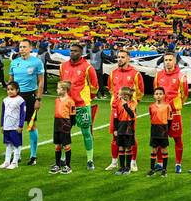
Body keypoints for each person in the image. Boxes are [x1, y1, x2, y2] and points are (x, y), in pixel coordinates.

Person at [59, 42, 101, 170]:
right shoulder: (63, 66)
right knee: (64, 133)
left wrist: (86, 99)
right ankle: (61, 159)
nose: (72, 53)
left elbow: (95, 87)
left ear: (81, 52)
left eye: (75, 51)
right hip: (66, 106)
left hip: (82, 106)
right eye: (71, 50)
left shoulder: (88, 68)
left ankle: (90, 160)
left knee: (86, 132)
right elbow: (61, 84)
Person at [9, 40, 46, 165]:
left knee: (31, 126)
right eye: (20, 47)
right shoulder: (14, 62)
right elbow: (11, 82)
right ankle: (17, 154)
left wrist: (38, 99)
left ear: (31, 48)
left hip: (30, 97)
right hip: (16, 98)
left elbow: (41, 82)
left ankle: (33, 156)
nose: (22, 49)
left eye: (24, 47)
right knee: (15, 127)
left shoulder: (37, 62)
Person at [107, 50, 144, 171]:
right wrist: (116, 103)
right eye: (118, 57)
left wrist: (131, 105)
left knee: (131, 136)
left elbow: (140, 92)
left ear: (128, 58)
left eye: (122, 57)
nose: (120, 59)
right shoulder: (113, 73)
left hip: (128, 112)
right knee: (115, 135)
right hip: (115, 110)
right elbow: (111, 89)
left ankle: (133, 162)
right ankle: (114, 162)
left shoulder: (135, 74)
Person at [151, 52, 187, 173]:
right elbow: (156, 91)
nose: (167, 62)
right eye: (165, 60)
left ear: (175, 61)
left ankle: (178, 164)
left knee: (177, 138)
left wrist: (175, 105)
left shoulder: (181, 76)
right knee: (161, 139)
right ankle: (160, 163)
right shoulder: (158, 75)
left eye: (170, 60)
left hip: (175, 113)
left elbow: (184, 94)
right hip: (161, 113)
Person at [0, 80, 27, 169]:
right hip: (7, 126)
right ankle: (7, 161)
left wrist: (20, 125)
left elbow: (23, 114)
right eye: (8, 89)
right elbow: (3, 113)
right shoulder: (5, 100)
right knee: (8, 144)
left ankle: (15, 162)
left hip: (15, 126)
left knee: (16, 144)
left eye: (12, 89)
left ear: (17, 90)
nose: (9, 91)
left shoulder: (20, 100)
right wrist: (2, 125)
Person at [110, 86, 138, 175]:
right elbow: (115, 117)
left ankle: (128, 167)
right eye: (121, 95)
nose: (121, 96)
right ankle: (121, 167)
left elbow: (132, 115)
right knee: (121, 147)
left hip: (129, 127)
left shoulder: (133, 103)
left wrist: (125, 105)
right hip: (120, 126)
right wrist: (115, 129)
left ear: (127, 95)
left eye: (123, 95)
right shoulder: (117, 104)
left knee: (128, 147)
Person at [50, 81, 76, 174]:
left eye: (58, 88)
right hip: (56, 123)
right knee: (57, 145)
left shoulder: (70, 101)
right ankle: (57, 164)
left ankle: (68, 166)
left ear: (64, 90)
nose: (57, 90)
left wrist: (70, 125)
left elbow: (73, 115)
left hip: (65, 124)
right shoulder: (57, 100)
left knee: (66, 145)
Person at [147, 86, 172, 176]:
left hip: (163, 130)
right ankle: (152, 169)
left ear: (164, 95)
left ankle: (164, 170)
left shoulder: (167, 106)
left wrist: (168, 131)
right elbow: (151, 117)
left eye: (160, 94)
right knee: (154, 150)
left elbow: (170, 120)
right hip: (154, 130)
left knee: (164, 149)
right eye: (156, 94)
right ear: (154, 96)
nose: (158, 96)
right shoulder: (151, 107)